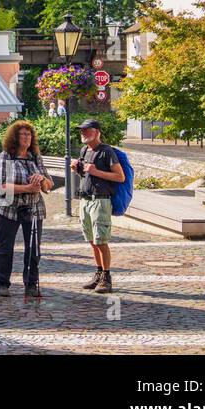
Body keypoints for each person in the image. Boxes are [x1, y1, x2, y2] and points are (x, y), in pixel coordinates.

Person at [0, 119, 53, 298]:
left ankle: (31, 283)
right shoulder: (6, 156)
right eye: (23, 134)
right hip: (8, 209)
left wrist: (41, 180)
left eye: (29, 134)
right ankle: (3, 283)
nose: (27, 137)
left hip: (34, 208)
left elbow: (49, 186)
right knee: (5, 247)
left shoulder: (35, 157)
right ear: (15, 137)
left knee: (34, 248)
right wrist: (26, 188)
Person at [74, 119, 124, 294]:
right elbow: (86, 174)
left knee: (101, 240)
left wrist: (96, 171)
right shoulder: (84, 150)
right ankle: (98, 272)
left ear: (96, 132)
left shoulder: (106, 151)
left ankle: (107, 278)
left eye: (86, 131)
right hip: (85, 200)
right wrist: (78, 169)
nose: (83, 133)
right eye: (81, 131)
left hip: (100, 201)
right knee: (91, 240)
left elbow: (120, 177)